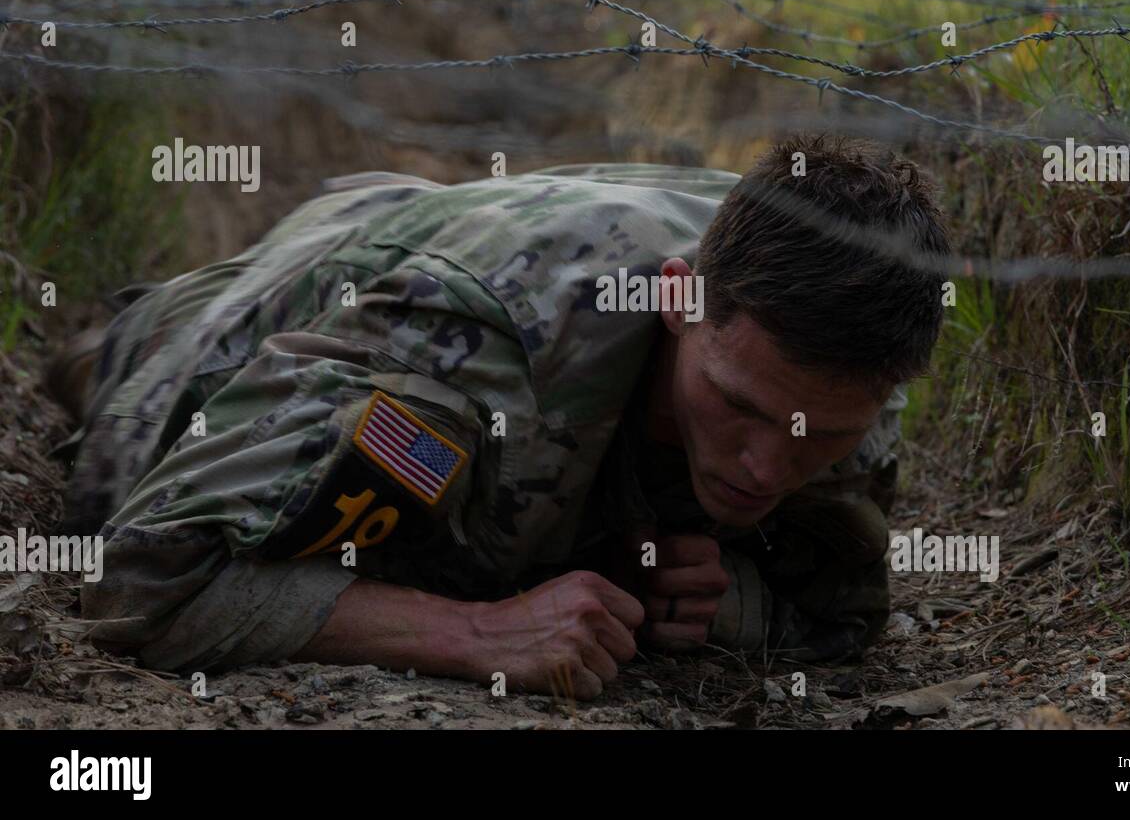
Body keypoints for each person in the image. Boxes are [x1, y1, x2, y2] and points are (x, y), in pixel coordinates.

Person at [51, 133, 949, 700]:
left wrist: (715, 598)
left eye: (816, 438)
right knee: (131, 373)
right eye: (737, 407)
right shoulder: (464, 354)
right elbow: (141, 579)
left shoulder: (842, 369)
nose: (765, 467)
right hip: (271, 297)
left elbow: (836, 611)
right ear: (679, 302)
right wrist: (475, 632)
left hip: (482, 220)